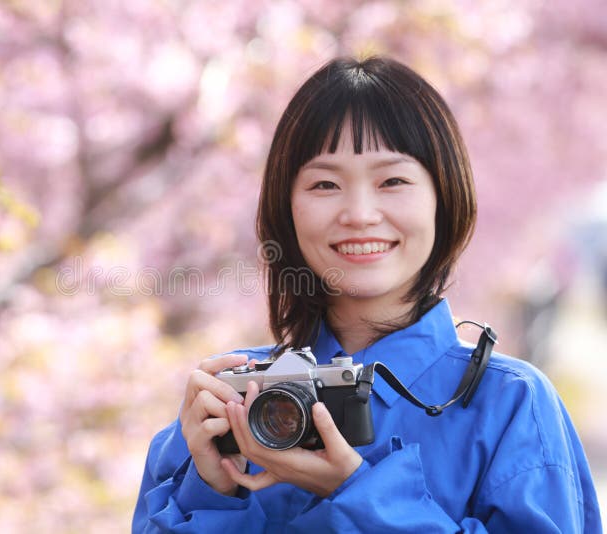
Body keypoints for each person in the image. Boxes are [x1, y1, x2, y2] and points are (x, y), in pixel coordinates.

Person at [132, 56, 602, 532]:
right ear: (286, 208)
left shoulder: (509, 404)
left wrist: (356, 490)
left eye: (392, 181)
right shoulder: (231, 404)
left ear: (443, 197)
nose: (359, 214)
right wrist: (212, 493)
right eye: (325, 184)